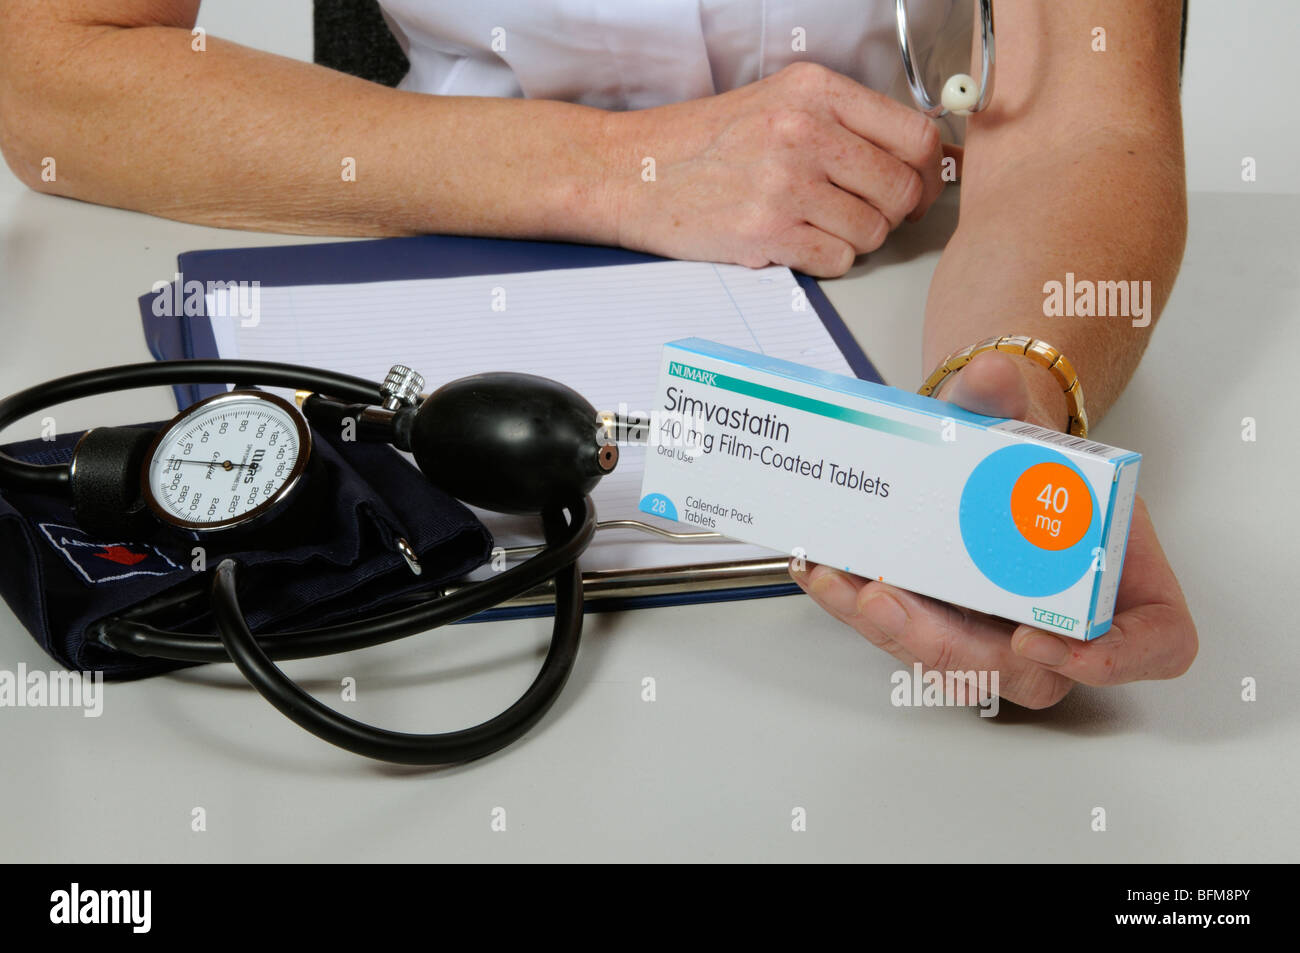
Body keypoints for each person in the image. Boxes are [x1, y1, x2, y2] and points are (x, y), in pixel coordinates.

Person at [0, 0, 1196, 707]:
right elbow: (52, 74)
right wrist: (608, 171)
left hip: (892, 298)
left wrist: (997, 403)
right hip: (430, 242)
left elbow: (1082, 124)